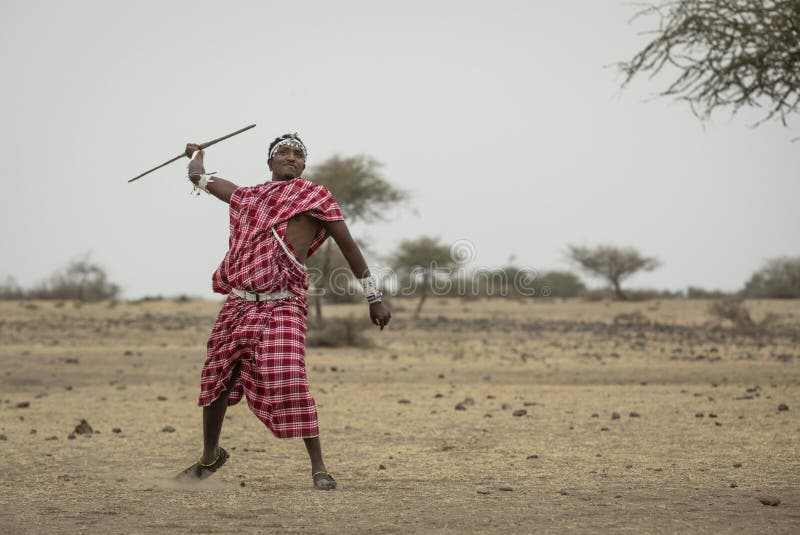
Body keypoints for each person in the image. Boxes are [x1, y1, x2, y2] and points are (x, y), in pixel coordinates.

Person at [177, 133, 391, 490]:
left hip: (284, 303)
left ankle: (319, 467)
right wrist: (197, 154)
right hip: (239, 303)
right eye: (284, 153)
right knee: (218, 381)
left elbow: (349, 247)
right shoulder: (249, 198)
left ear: (304, 165)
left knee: (291, 376)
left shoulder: (315, 197)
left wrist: (373, 297)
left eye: (298, 155)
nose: (291, 158)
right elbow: (200, 178)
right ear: (270, 162)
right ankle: (210, 456)